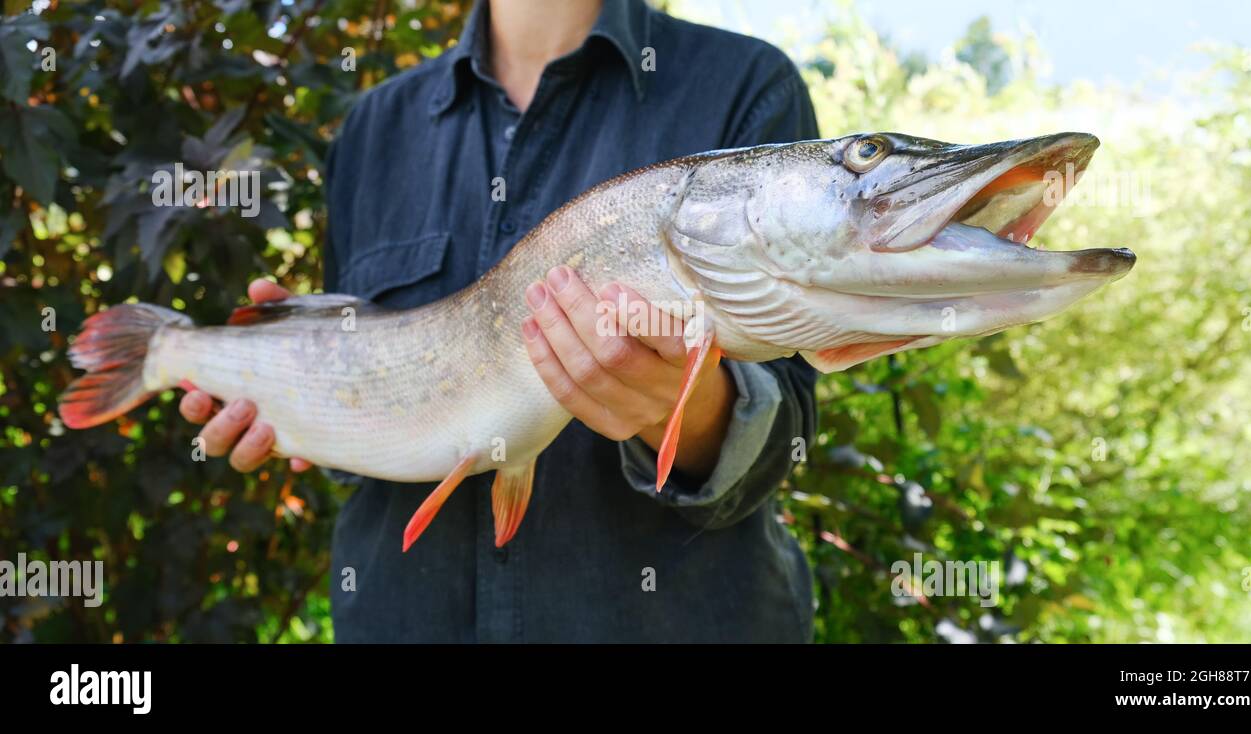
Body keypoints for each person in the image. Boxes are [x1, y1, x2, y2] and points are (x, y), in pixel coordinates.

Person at [179, 0, 820, 642]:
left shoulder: (746, 82)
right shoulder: (373, 127)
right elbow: (369, 404)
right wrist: (291, 406)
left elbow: (783, 433)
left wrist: (681, 410)